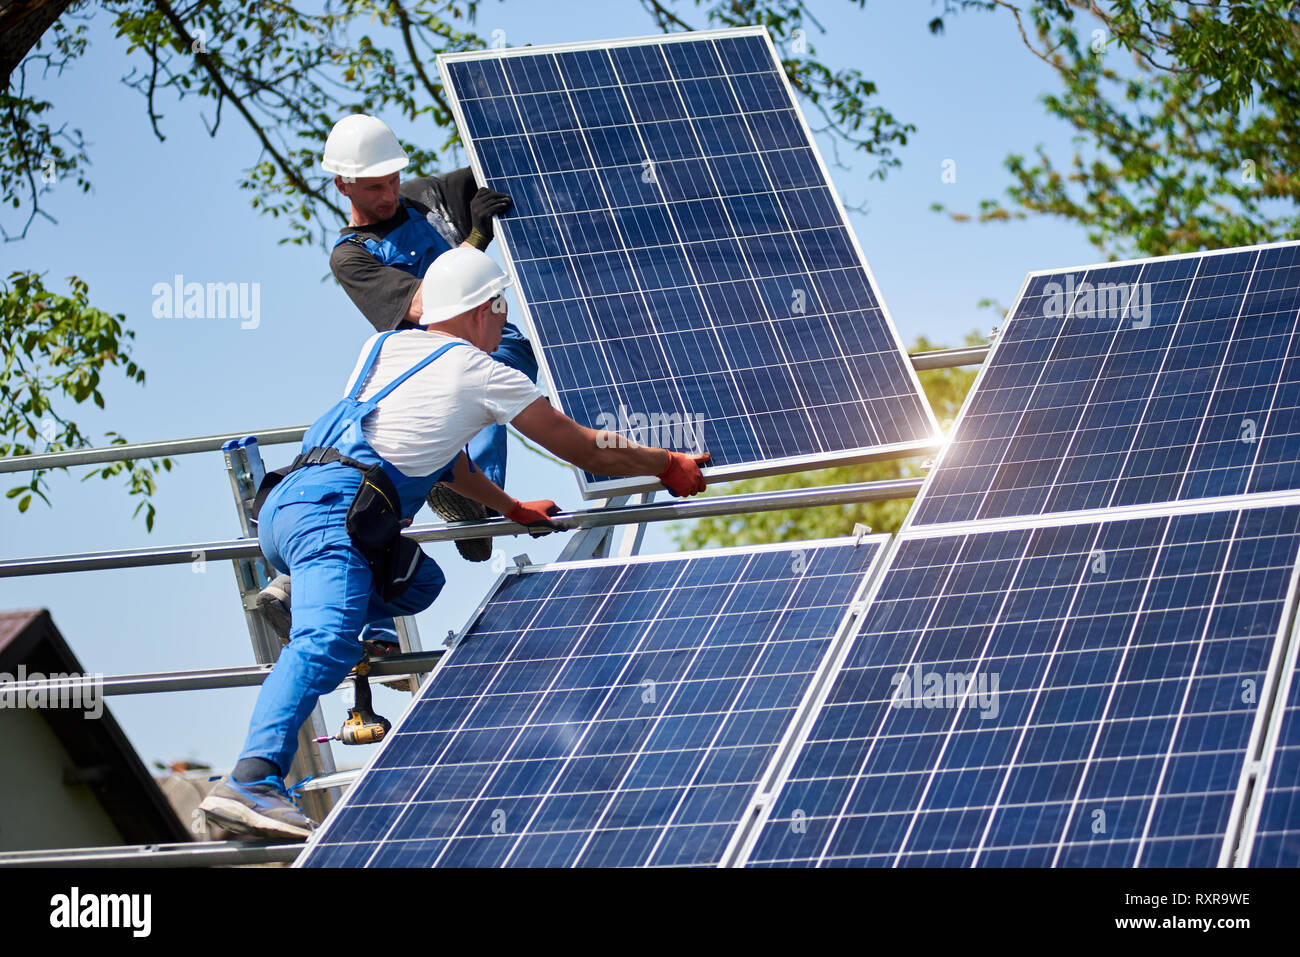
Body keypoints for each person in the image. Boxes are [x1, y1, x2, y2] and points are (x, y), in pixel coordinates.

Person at [199, 248, 710, 839]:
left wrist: (511, 508)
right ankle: (252, 779)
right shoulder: (484, 372)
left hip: (286, 503)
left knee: (420, 582)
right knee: (327, 641)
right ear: (486, 310)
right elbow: (589, 447)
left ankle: (303, 594)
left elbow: (448, 462)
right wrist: (663, 460)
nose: (505, 326)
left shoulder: (384, 346)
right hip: (335, 518)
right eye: (502, 312)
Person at [257, 112, 533, 651]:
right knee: (408, 443)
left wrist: (525, 111)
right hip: (428, 360)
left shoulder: (426, 197)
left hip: (492, 342)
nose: (388, 193)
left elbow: (504, 165)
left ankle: (349, 592)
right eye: (373, 186)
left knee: (397, 476)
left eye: (392, 180)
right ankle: (459, 493)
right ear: (342, 185)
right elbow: (432, 305)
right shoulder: (352, 257)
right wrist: (476, 238)